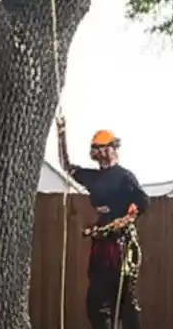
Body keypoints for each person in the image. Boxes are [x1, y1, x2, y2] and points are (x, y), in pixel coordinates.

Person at [56, 116, 150, 329]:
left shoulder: (124, 177)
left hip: (120, 245)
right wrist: (61, 135)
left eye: (102, 149)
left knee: (124, 301)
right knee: (96, 304)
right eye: (96, 150)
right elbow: (66, 166)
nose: (99, 154)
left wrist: (126, 218)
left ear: (111, 149)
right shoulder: (93, 178)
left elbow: (142, 201)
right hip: (102, 244)